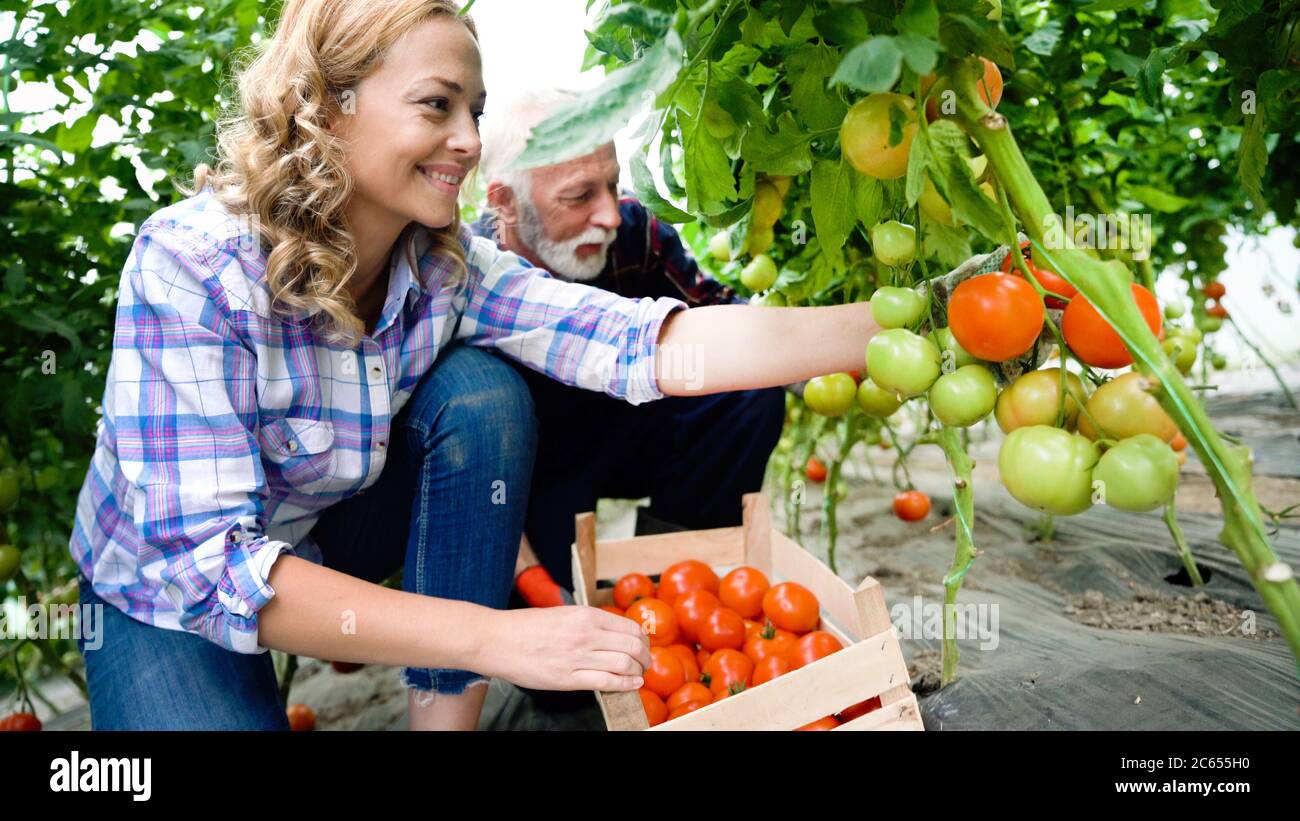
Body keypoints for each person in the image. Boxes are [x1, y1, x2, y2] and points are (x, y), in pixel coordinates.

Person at [69, 0, 881, 731]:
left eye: (475, 110)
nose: (467, 138)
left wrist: (900, 326)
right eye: (437, 104)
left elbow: (649, 342)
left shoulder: (449, 267)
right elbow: (212, 567)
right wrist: (499, 634)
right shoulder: (195, 263)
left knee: (479, 394)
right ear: (326, 107)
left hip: (327, 531)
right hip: (172, 590)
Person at [473, 89, 786, 594]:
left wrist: (817, 348)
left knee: (747, 391)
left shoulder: (635, 234)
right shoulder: (467, 279)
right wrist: (531, 581)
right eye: (579, 196)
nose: (610, 216)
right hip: (534, 464)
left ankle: (678, 568)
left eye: (612, 186)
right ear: (504, 203)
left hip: (630, 424)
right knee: (559, 661)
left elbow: (720, 311)